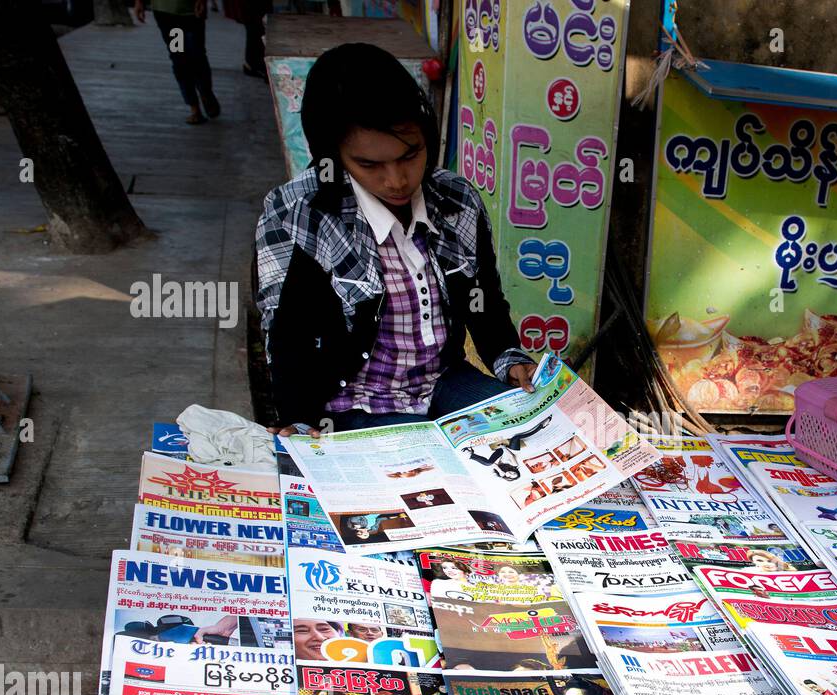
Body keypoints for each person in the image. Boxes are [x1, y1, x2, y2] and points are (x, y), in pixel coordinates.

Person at [254, 43, 538, 437]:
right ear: (333, 154)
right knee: (433, 478)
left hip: (442, 381)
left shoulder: (457, 200)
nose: (397, 180)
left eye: (410, 155)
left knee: (535, 428)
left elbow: (483, 298)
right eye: (370, 164)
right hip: (357, 400)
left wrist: (509, 357)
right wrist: (297, 418)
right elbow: (287, 334)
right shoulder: (298, 213)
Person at [133, 1, 220, 125]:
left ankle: (205, 92)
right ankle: (194, 107)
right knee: (180, 59)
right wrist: (139, 2)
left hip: (191, 12)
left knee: (197, 56)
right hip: (166, 14)